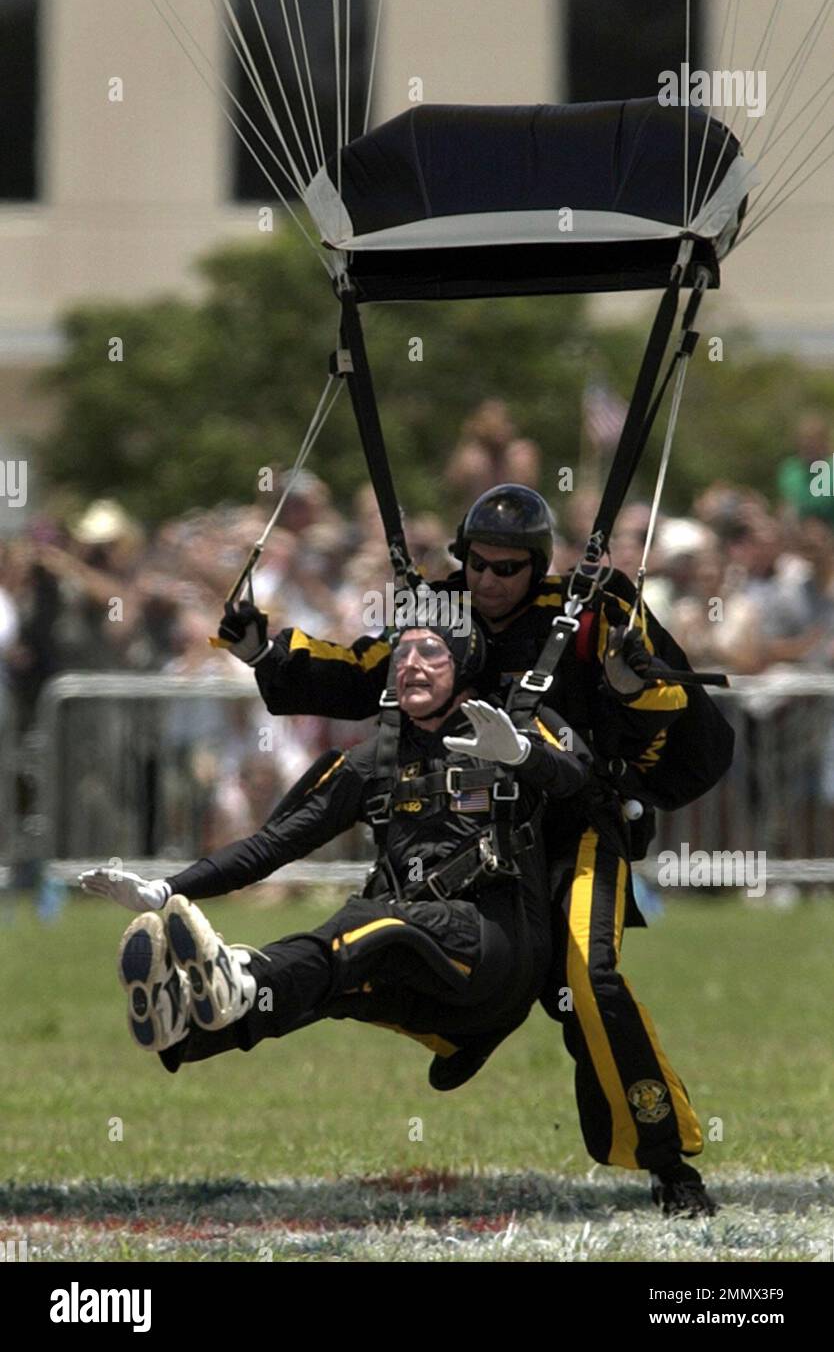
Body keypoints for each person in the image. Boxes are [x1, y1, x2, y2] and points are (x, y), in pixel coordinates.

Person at [217, 484, 728, 1217]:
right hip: (473, 842)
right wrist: (263, 650)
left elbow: (674, 723)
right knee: (408, 949)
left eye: (507, 568)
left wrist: (626, 688)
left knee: (586, 979)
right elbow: (364, 669)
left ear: (536, 566)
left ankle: (667, 1162)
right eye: (476, 564)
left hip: (576, 825)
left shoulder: (593, 611)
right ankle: (465, 1024)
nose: (487, 581)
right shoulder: (439, 611)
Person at [80, 624, 589, 1091]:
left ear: (466, 665)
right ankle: (184, 1026)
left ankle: (239, 972)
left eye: (430, 652)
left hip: (497, 953)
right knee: (328, 979)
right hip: (430, 983)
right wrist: (168, 888)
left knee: (372, 923)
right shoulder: (374, 761)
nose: (409, 663)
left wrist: (523, 755)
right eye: (401, 653)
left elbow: (578, 781)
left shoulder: (515, 726)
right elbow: (270, 845)